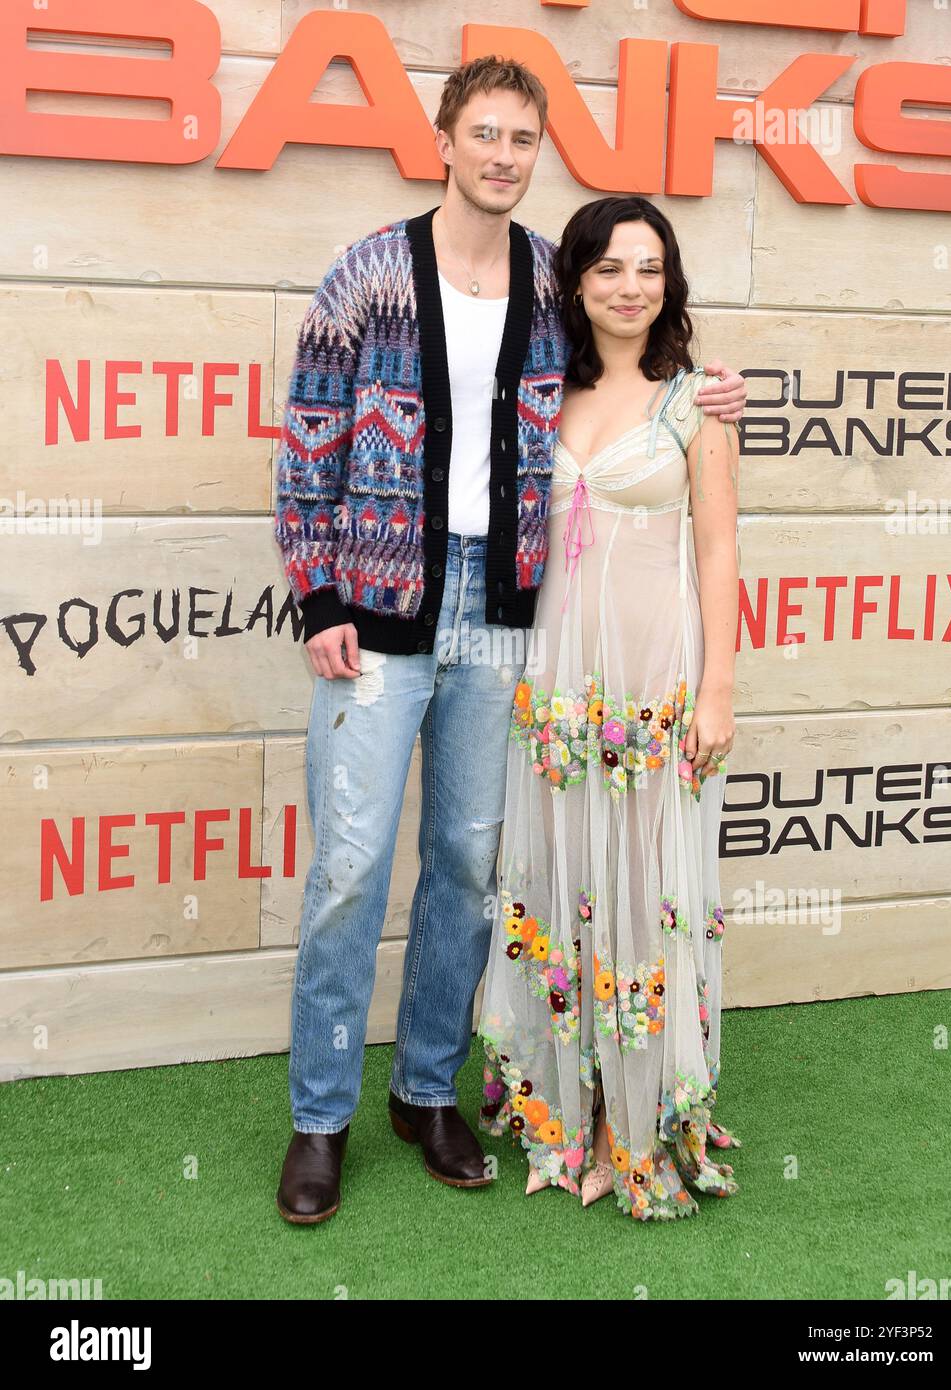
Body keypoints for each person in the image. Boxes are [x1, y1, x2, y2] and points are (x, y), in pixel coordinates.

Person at [272, 55, 748, 1224]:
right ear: (442, 139)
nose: (500, 155)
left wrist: (707, 389)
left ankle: (427, 1088)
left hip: (503, 617)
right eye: (482, 133)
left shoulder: (551, 275)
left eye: (521, 139)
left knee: (469, 866)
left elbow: (628, 366)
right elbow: (308, 438)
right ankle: (320, 1116)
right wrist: (320, 595)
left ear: (538, 152)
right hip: (377, 616)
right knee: (346, 868)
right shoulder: (366, 272)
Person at [477, 195, 743, 1221]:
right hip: (553, 687)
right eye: (608, 269)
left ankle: (626, 1122)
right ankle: (560, 1098)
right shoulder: (543, 393)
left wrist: (716, 689)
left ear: (667, 282)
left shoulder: (695, 404)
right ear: (574, 282)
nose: (630, 286)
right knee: (561, 876)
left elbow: (718, 550)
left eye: (648, 267)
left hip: (653, 682)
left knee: (642, 886)